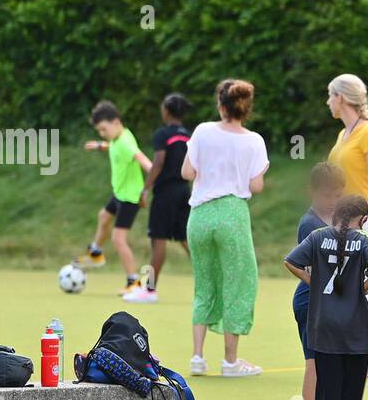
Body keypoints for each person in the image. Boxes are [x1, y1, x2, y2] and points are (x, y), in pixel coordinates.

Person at [284, 195, 368, 400]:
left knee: (327, 383)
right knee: (350, 384)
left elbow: (290, 261)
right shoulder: (363, 240)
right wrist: (362, 287)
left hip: (323, 323)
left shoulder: (317, 236)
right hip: (353, 324)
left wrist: (312, 280)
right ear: (362, 219)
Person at [182, 79, 269, 378]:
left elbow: (187, 171)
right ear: (245, 109)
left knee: (204, 283)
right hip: (232, 213)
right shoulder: (254, 140)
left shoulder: (202, 131)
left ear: (221, 105)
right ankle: (230, 361)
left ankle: (197, 357)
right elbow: (256, 185)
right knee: (239, 282)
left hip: (200, 214)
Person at [327, 74, 368, 376]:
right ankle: (355, 352)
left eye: (330, 96)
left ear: (341, 98)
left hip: (362, 218)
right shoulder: (343, 135)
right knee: (346, 288)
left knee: (364, 289)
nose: (328, 102)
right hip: (340, 220)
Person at [291, 162, 346, 400]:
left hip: (332, 304)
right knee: (314, 365)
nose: (333, 201)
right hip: (311, 303)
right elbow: (310, 268)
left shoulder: (340, 220)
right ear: (312, 192)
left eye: (338, 195)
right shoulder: (309, 224)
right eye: (327, 195)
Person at [76, 100, 153, 298]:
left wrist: (155, 180)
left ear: (116, 122)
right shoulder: (117, 139)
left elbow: (143, 160)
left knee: (119, 239)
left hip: (130, 198)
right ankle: (96, 253)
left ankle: (133, 281)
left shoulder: (127, 142)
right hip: (119, 194)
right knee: (103, 216)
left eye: (104, 129)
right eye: (99, 131)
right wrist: (100, 145)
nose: (102, 133)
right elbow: (113, 146)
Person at [129, 93, 194, 303]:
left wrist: (146, 189)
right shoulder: (189, 135)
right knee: (186, 240)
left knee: (159, 241)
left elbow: (158, 163)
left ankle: (149, 290)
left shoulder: (163, 134)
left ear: (166, 110)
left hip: (165, 193)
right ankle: (212, 284)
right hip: (185, 190)